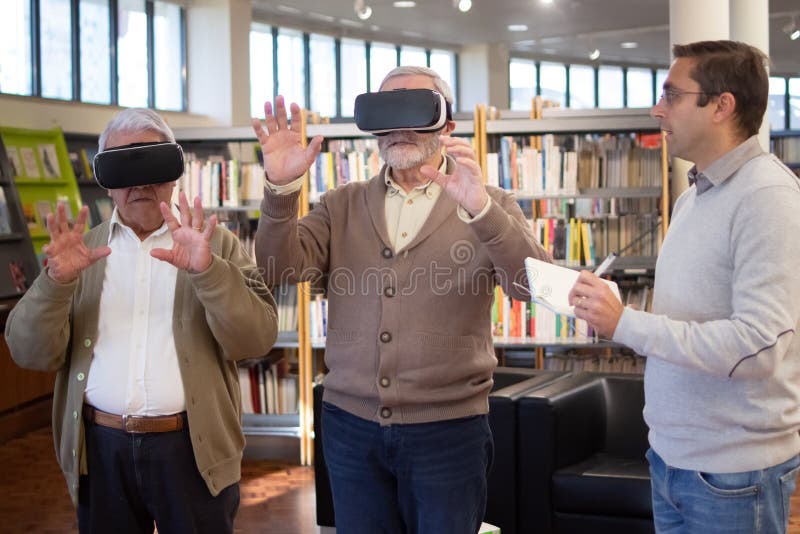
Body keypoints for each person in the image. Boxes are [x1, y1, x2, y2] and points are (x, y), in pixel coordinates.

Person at [252, 65, 550, 533]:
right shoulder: (341, 204)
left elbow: (531, 286)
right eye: (387, 111)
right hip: (350, 428)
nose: (399, 126)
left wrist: (482, 211)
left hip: (450, 432)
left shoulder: (489, 203)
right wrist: (281, 190)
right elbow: (277, 270)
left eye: (416, 109)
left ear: (447, 125)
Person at [5, 108, 279, 534]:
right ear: (106, 181)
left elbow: (256, 339)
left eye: (153, 164)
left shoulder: (215, 244)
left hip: (194, 452)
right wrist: (55, 283)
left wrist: (209, 273)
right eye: (123, 168)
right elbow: (28, 351)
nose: (141, 182)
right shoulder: (80, 254)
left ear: (174, 173)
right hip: (100, 452)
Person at [568, 40, 800, 533]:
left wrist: (626, 323)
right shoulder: (693, 197)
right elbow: (688, 321)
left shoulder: (768, 196)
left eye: (672, 95)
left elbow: (758, 346)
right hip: (672, 458)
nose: (658, 109)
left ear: (722, 105)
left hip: (732, 473)